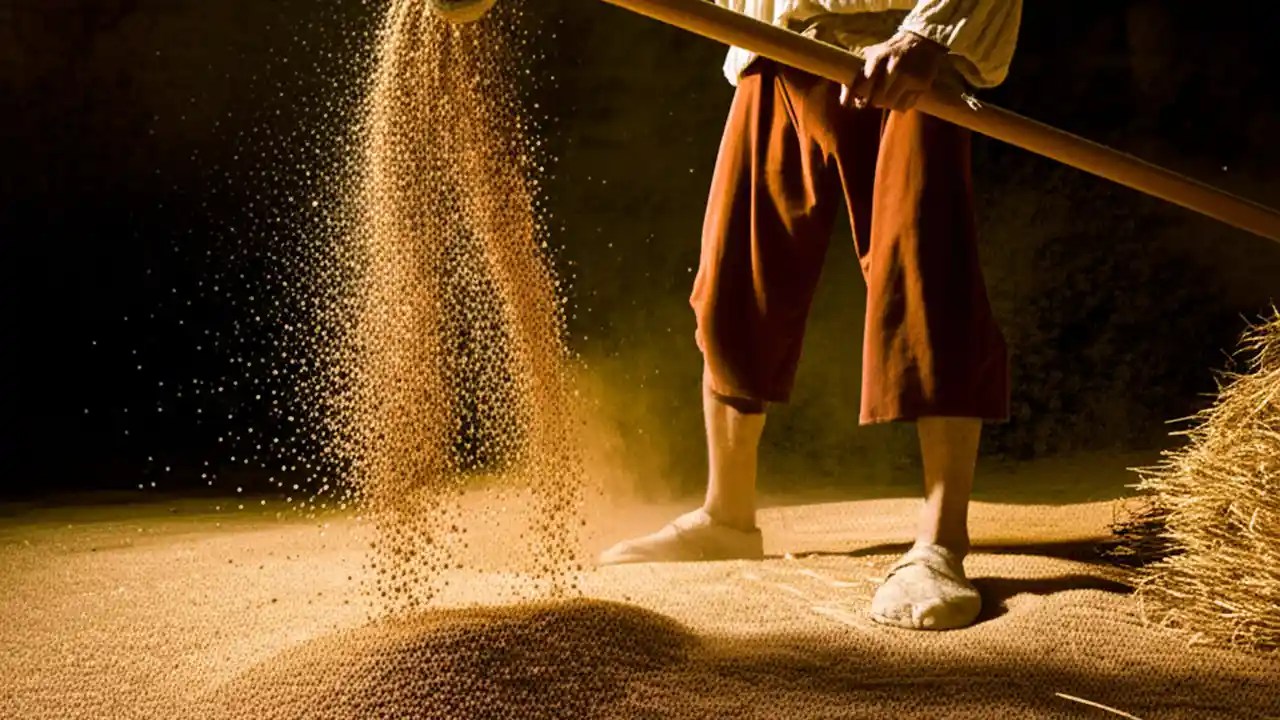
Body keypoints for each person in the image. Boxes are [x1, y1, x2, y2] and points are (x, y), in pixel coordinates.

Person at [597, 0, 1023, 632]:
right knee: (733, 282)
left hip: (905, 57)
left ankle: (942, 540)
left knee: (925, 280)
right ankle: (727, 516)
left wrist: (928, 36)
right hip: (779, 39)